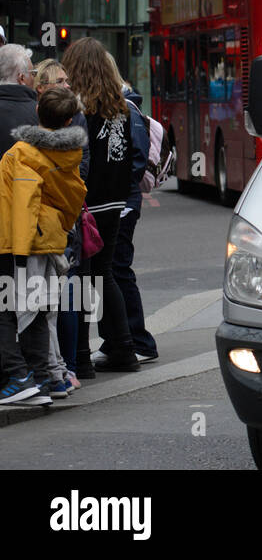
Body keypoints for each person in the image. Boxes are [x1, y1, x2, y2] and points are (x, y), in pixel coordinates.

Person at [0, 88, 87, 405]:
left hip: (23, 242)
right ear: (69, 121)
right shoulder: (69, 157)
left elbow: (21, 205)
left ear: (37, 111)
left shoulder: (19, 154)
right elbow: (74, 199)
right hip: (52, 238)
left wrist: (19, 256)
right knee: (40, 309)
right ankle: (48, 378)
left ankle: (26, 378)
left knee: (16, 308)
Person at [62, 37, 139, 373]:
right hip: (115, 201)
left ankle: (81, 356)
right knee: (103, 275)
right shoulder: (119, 106)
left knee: (81, 279)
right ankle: (123, 347)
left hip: (89, 202)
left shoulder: (80, 109)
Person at [92, 80, 156, 366]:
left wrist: (119, 191)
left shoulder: (126, 109)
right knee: (109, 271)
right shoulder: (114, 109)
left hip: (123, 203)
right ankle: (116, 340)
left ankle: (139, 340)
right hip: (118, 201)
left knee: (117, 269)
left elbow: (137, 159)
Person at [0, 44, 41, 404]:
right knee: (34, 300)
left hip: (3, 227)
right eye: (33, 72)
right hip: (36, 228)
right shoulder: (40, 113)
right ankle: (43, 374)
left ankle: (18, 374)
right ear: (22, 76)